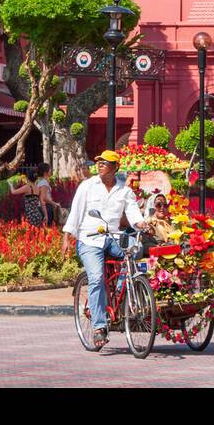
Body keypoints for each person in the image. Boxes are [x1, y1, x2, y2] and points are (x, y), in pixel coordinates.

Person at [61, 150, 145, 350]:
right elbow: (75, 214)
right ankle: (99, 327)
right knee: (96, 278)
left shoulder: (124, 191)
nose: (99, 165)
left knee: (136, 250)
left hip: (113, 238)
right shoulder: (87, 186)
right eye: (98, 162)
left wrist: (143, 224)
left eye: (105, 163)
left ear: (115, 167)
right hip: (90, 240)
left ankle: (122, 290)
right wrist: (66, 238)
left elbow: (134, 215)